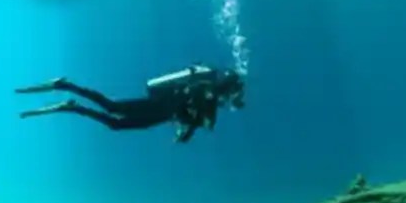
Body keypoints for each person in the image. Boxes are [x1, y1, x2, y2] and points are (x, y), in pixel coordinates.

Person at [16, 64, 245, 143]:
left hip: (158, 115)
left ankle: (72, 105)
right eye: (234, 94)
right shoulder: (208, 90)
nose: (233, 99)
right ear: (230, 87)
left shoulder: (210, 95)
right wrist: (190, 129)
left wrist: (187, 132)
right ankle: (66, 86)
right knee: (113, 108)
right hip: (157, 109)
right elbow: (195, 109)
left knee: (114, 123)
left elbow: (194, 118)